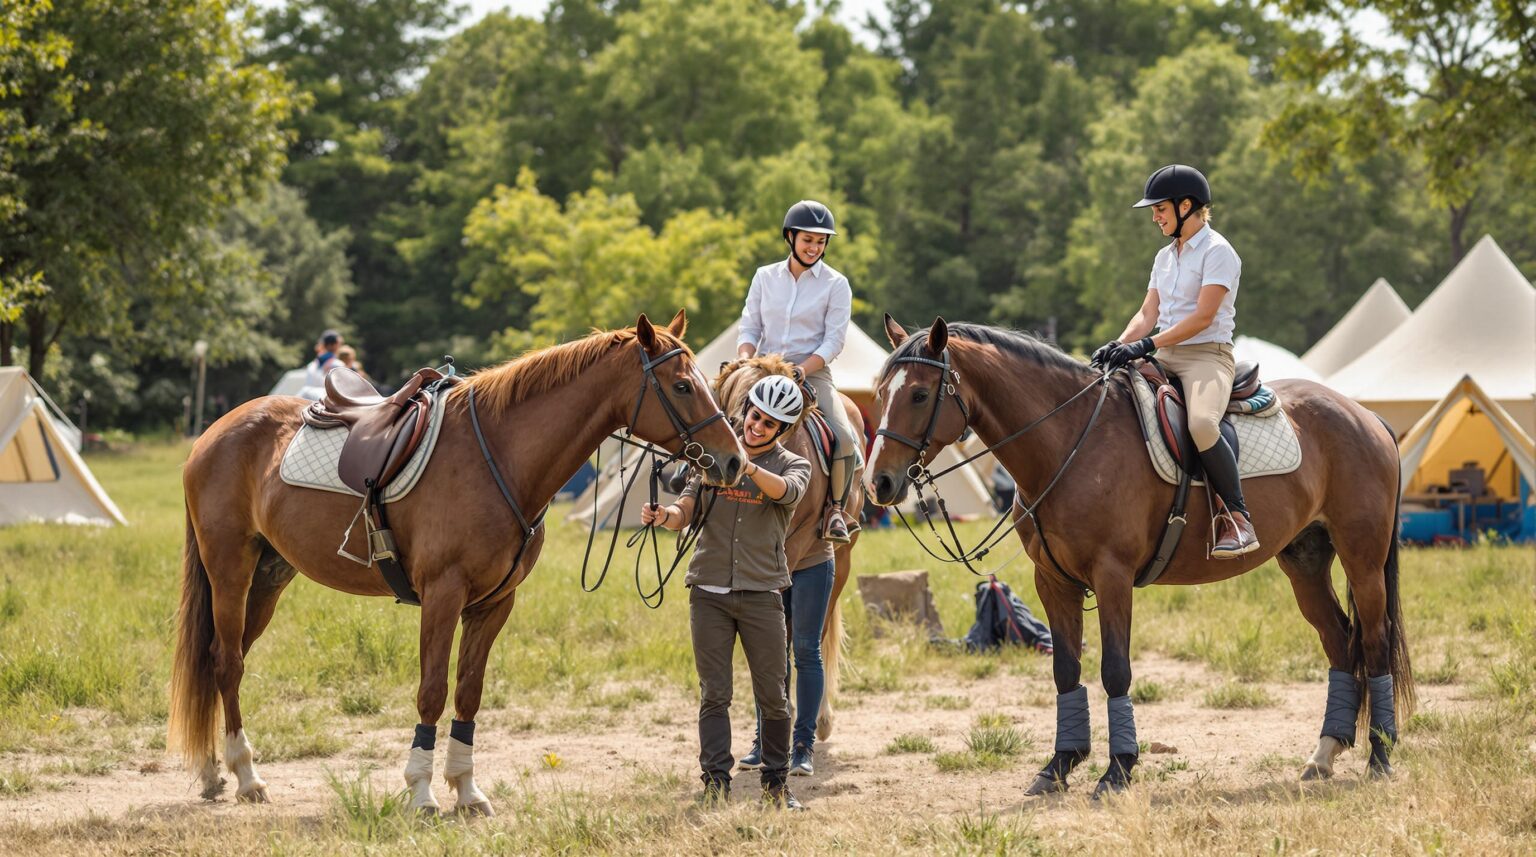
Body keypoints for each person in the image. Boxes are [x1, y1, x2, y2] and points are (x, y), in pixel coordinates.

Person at [642, 375, 812, 811]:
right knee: (714, 693)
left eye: (769, 424)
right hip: (709, 592)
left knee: (773, 696)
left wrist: (747, 465)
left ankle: (776, 785)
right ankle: (715, 782)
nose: (757, 427)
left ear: (782, 431)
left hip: (762, 594)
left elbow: (787, 491)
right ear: (746, 410)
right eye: (755, 416)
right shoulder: (710, 459)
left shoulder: (794, 464)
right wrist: (665, 516)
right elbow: (687, 507)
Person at [1093, 164, 1259, 558]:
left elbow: (1202, 318)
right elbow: (1147, 313)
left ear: (1187, 206)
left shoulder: (1219, 252)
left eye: (1160, 209)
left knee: (1202, 424)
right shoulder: (1164, 257)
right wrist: (1118, 345)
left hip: (1206, 356)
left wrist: (1144, 345)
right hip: (1162, 352)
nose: (1154, 216)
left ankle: (1237, 517)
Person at [737, 200, 857, 545]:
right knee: (711, 411)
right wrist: (745, 360)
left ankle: (835, 508)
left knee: (844, 437)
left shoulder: (836, 284)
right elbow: (749, 327)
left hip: (812, 372)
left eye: (821, 242)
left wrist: (802, 370)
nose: (814, 248)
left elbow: (834, 340)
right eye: (808, 240)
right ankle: (691, 480)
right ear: (790, 237)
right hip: (761, 368)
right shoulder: (764, 276)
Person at [297, 329, 344, 401]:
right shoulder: (337, 364)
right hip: (322, 400)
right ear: (333, 345)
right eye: (339, 344)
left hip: (303, 396)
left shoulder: (312, 364)